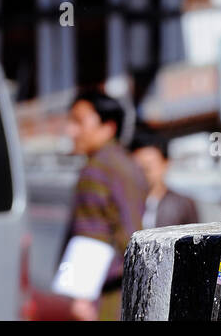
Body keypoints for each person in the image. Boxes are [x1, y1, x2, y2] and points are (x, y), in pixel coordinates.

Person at [62, 90, 148, 321]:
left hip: (103, 296)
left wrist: (81, 294)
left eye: (79, 122)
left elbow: (93, 233)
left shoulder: (99, 168)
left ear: (108, 126)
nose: (71, 131)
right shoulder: (123, 164)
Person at [129, 124, 199, 229]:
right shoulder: (124, 201)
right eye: (138, 168)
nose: (142, 173)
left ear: (165, 163)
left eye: (148, 168)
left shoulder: (182, 205)